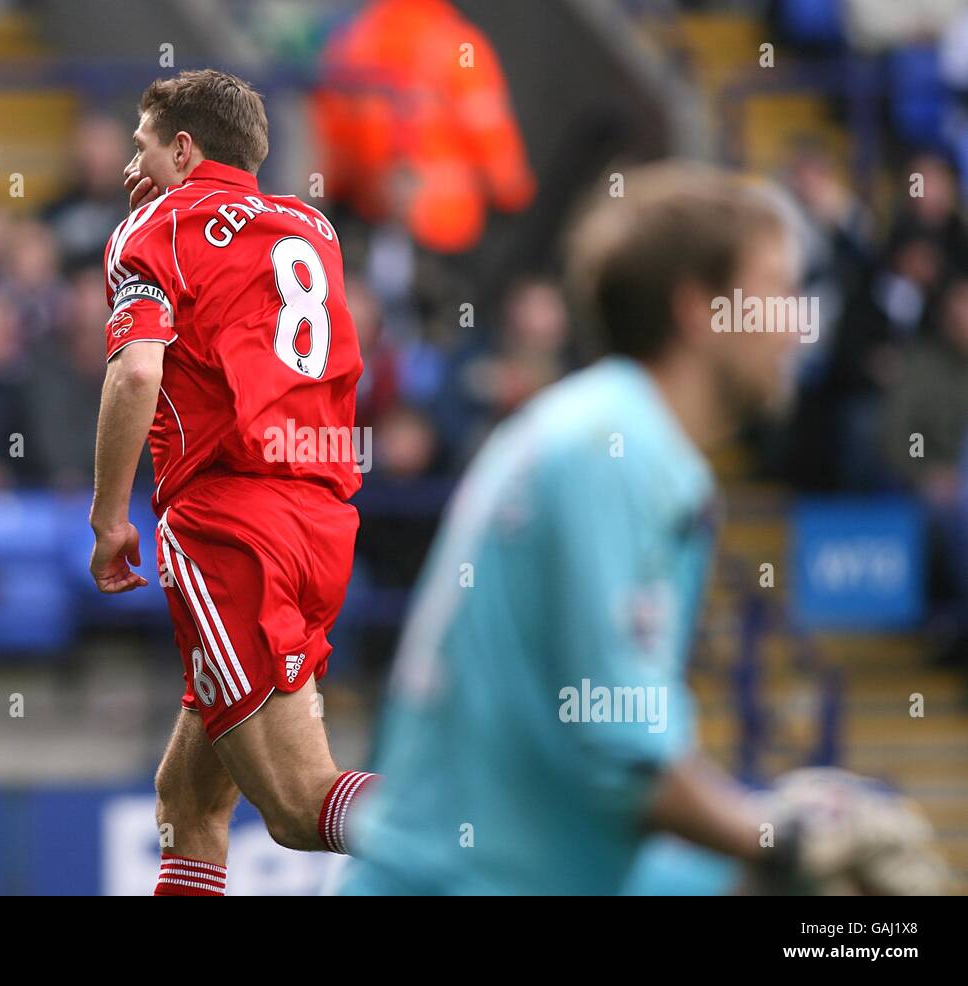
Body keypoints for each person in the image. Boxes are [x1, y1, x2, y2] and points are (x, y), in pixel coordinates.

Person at [336, 163, 930, 895]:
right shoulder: (619, 452)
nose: (798, 321)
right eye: (777, 289)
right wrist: (782, 841)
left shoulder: (604, 431)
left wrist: (754, 852)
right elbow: (626, 765)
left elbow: (595, 820)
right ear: (699, 309)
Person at [87, 69, 378, 895]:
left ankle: (491, 831)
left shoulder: (153, 229)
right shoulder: (312, 226)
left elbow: (137, 373)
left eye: (140, 144)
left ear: (183, 149)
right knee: (188, 800)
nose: (126, 167)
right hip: (320, 519)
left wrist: (110, 517)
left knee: (295, 804)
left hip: (230, 524)